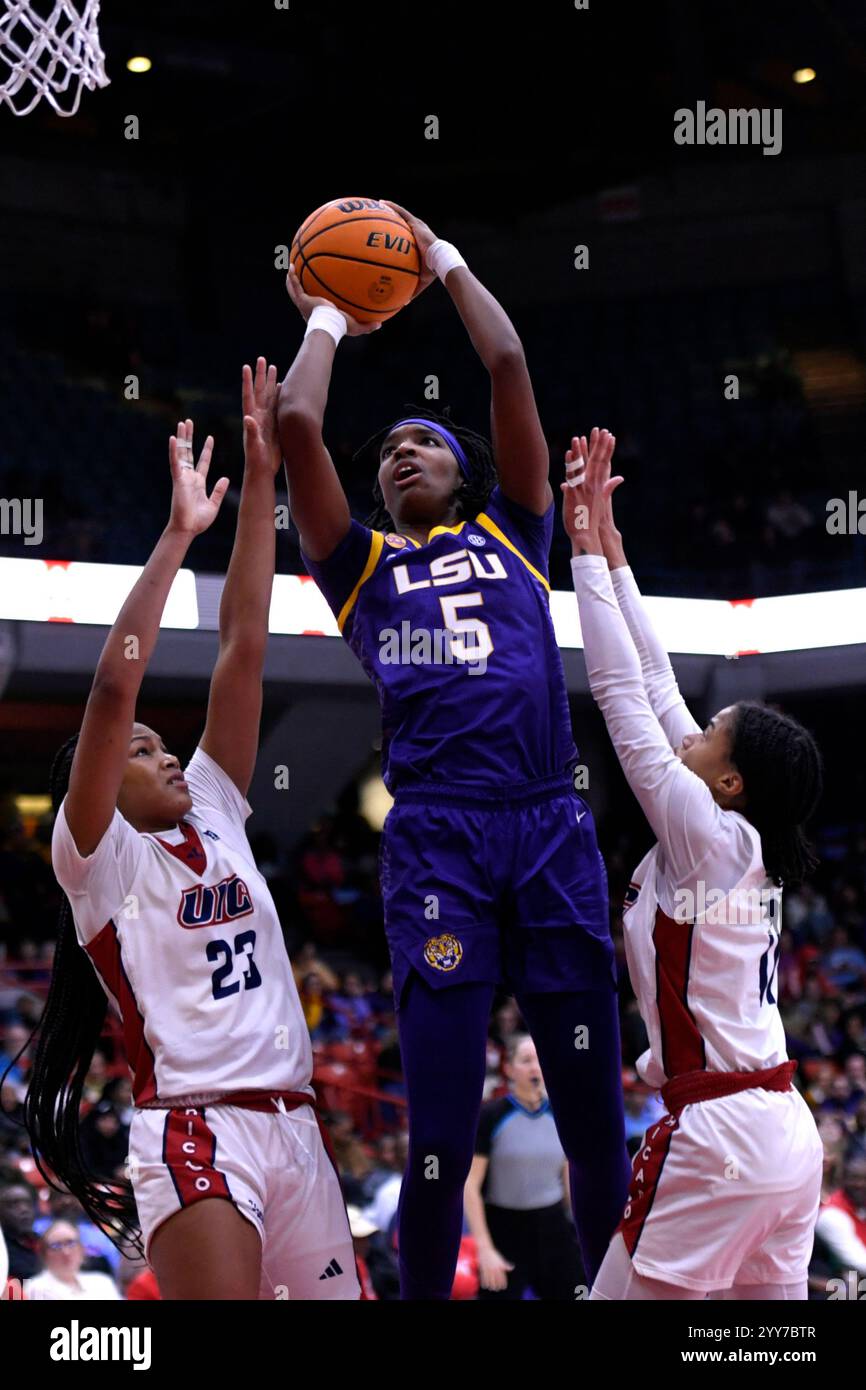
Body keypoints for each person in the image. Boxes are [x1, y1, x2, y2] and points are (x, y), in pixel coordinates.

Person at [277, 201, 629, 1299]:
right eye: (385, 452)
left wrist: (440, 259)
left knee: (592, 1121)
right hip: (436, 841)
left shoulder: (515, 534)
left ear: (465, 469)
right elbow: (295, 423)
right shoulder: (358, 568)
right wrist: (328, 315)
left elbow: (508, 357)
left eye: (420, 441)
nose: (398, 456)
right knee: (435, 1134)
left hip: (544, 825)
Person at [23, 362, 358, 1301]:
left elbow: (243, 641)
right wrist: (176, 536)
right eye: (141, 753)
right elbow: (111, 688)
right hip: (196, 1131)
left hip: (296, 1130)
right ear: (95, 787)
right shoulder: (93, 857)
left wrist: (262, 482)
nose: (168, 754)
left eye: (164, 745)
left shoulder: (215, 803)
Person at [563, 428, 825, 1301]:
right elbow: (663, 685)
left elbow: (621, 696)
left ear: (732, 778)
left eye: (712, 736)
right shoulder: (741, 842)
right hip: (784, 1133)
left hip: (720, 1137)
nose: (694, 733)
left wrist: (582, 559)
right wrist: (614, 551)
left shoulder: (707, 835)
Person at [464, 1033, 583, 1300]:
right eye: (526, 1060)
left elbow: (568, 1179)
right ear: (509, 1069)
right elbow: (470, 1185)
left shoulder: (563, 1113)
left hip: (553, 1227)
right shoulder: (491, 1116)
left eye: (541, 1060)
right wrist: (484, 1249)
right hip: (503, 1230)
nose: (535, 1067)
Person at [24, 1219, 120, 1301]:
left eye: (70, 1243)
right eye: (56, 1246)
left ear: (81, 1249)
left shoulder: (102, 1281)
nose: (66, 1252)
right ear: (44, 1254)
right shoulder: (36, 1288)